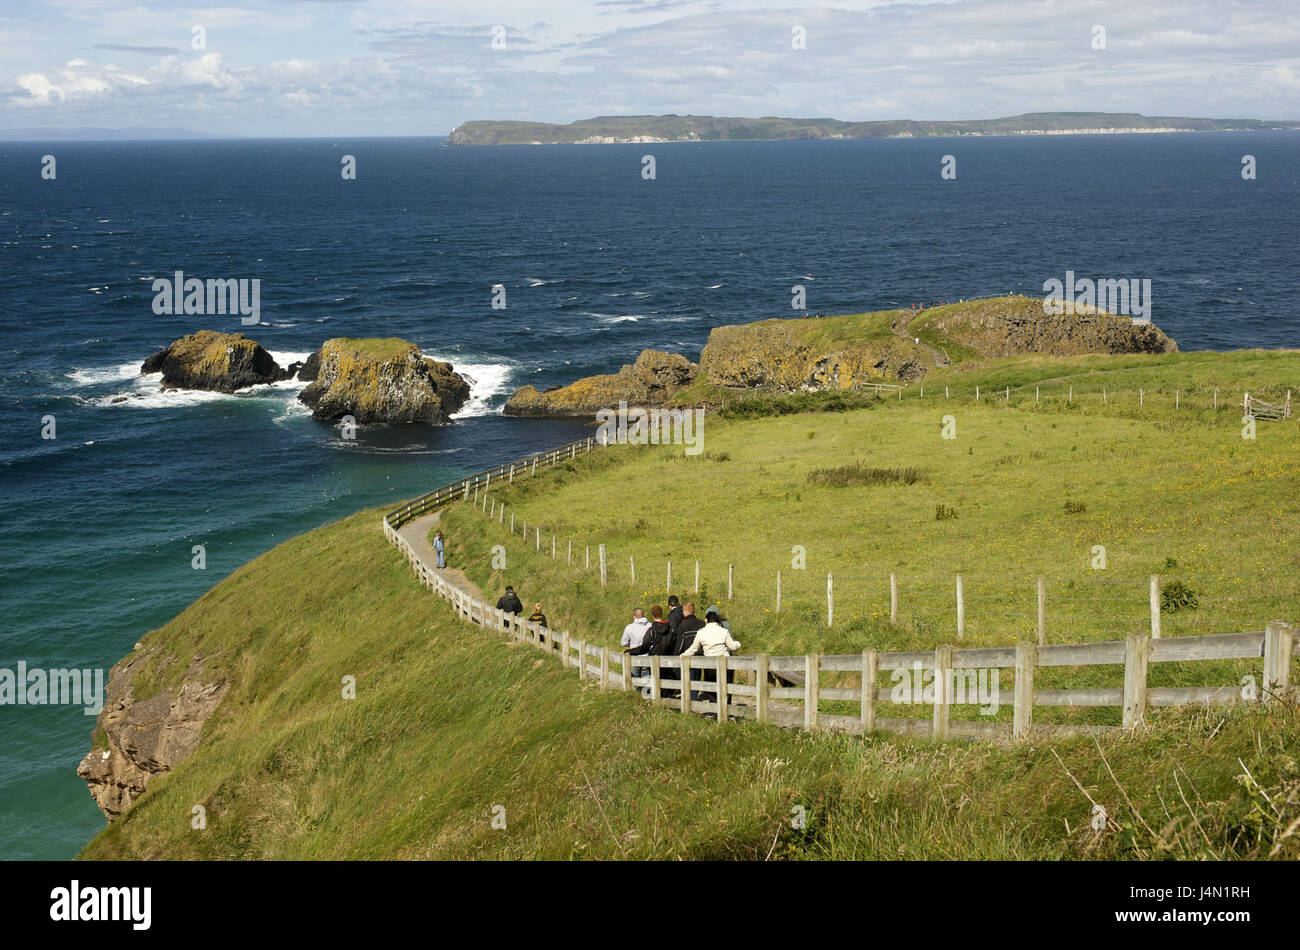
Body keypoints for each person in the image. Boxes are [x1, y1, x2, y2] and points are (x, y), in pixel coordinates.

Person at [674, 603, 707, 701]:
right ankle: (695, 696)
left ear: (685, 612)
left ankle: (692, 702)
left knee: (690, 679)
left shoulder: (683, 626)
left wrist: (676, 655)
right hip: (701, 656)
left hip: (688, 657)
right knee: (697, 677)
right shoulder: (702, 624)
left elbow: (680, 644)